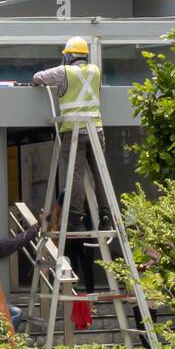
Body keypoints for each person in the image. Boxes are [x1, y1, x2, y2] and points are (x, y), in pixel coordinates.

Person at [32, 37, 110, 234]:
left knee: (75, 174)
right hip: (96, 128)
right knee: (100, 174)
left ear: (68, 56)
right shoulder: (96, 71)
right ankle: (106, 215)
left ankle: (76, 217)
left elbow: (37, 78)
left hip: (74, 130)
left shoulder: (62, 72)